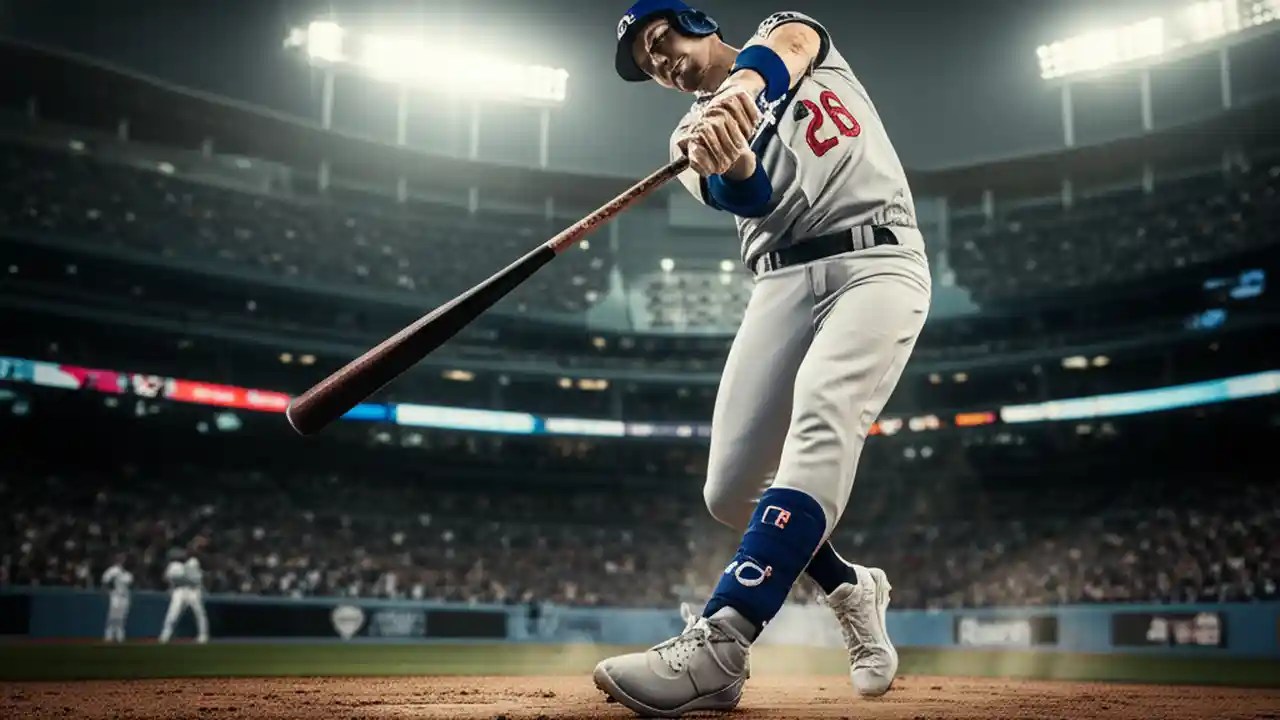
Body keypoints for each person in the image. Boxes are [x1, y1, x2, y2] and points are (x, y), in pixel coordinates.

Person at [593, 2, 931, 716]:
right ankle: (849, 587)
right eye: (648, 63)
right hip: (780, 280)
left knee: (822, 414)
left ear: (696, 20)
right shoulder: (686, 136)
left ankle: (723, 641)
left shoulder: (781, 32)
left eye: (661, 39)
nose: (661, 61)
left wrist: (743, 92)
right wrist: (734, 155)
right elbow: (748, 195)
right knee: (729, 491)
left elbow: (791, 46)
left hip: (876, 258)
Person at [158, 552, 209, 644]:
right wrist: (171, 584)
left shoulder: (193, 562)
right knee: (173, 613)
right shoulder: (174, 566)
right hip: (180, 590)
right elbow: (166, 578)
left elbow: (197, 579)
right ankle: (165, 636)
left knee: (199, 613)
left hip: (193, 590)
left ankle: (203, 636)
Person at [100, 554, 133, 643]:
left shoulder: (127, 574)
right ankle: (108, 637)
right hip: (115, 596)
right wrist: (107, 592)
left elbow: (130, 584)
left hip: (125, 597)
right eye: (121, 559)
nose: (123, 561)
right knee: (113, 617)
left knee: (122, 618)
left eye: (124, 559)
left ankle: (120, 637)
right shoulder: (113, 570)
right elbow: (105, 581)